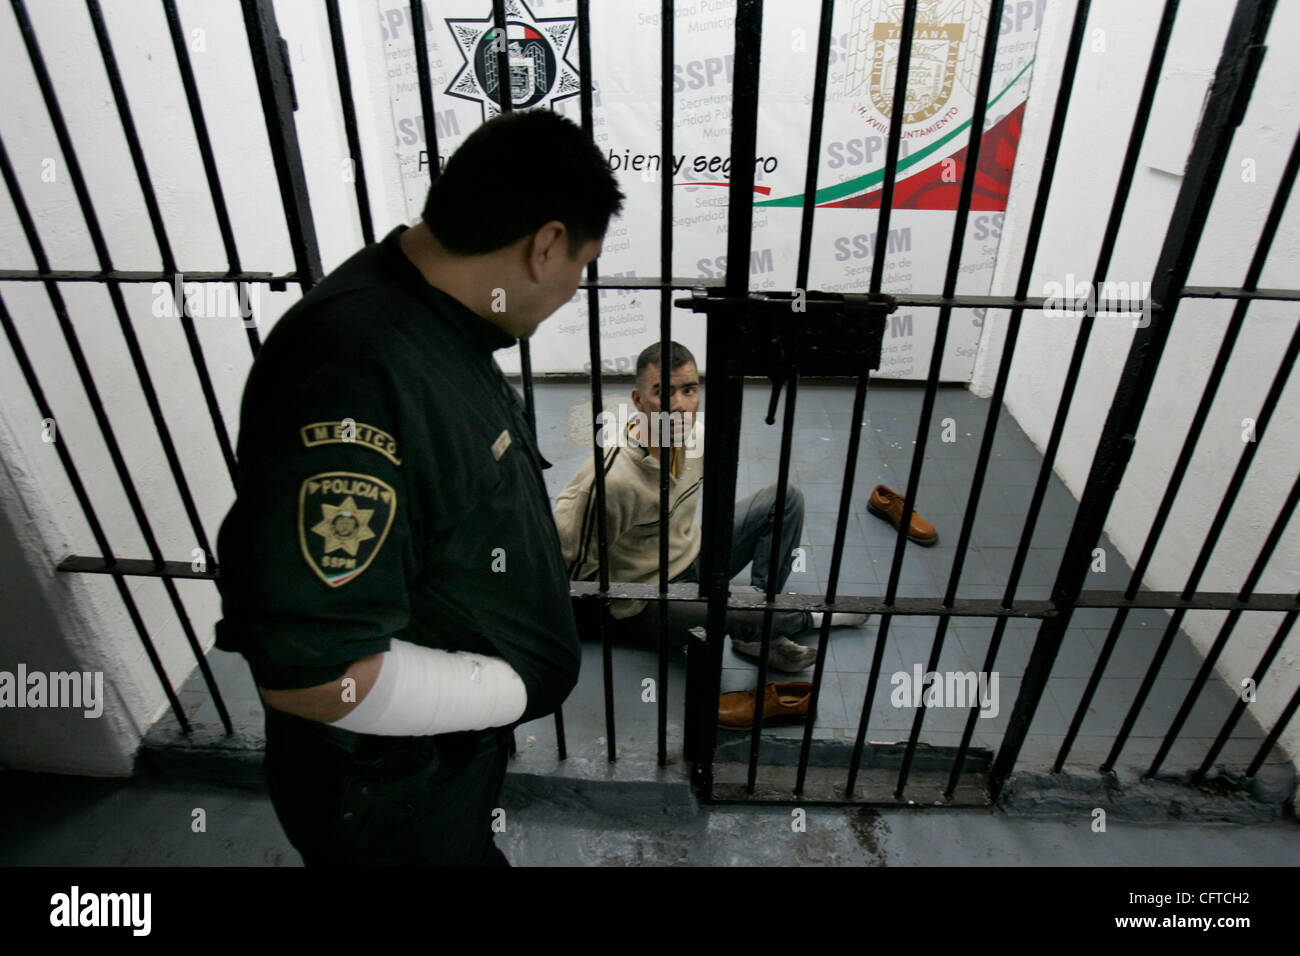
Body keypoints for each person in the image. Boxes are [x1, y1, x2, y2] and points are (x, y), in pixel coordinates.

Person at [213, 109, 625, 866]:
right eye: (582, 267)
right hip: (388, 786)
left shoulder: (435, 317)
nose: (574, 289)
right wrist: (510, 688)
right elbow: (316, 679)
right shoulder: (356, 377)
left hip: (434, 760)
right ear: (548, 245)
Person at [553, 341, 868, 673]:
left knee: (785, 499)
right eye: (663, 392)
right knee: (741, 610)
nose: (679, 406)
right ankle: (788, 618)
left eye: (689, 390)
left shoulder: (697, 438)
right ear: (638, 400)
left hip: (692, 555)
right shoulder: (612, 480)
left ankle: (755, 626)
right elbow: (568, 565)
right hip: (643, 599)